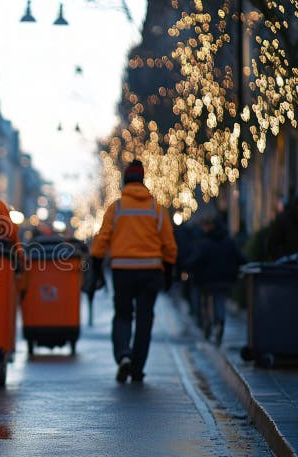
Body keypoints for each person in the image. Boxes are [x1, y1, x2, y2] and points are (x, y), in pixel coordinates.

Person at [91, 160, 178, 383]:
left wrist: (96, 263)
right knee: (145, 319)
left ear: (125, 181)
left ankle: (123, 356)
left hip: (122, 271)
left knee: (122, 315)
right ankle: (138, 368)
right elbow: (169, 244)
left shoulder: (117, 208)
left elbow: (102, 238)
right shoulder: (156, 209)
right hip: (151, 271)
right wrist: (168, 270)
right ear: (143, 180)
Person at [185, 214, 246, 345]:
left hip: (206, 280)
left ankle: (208, 323)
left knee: (206, 301)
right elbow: (241, 258)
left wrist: (185, 266)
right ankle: (219, 321)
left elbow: (195, 259)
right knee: (220, 300)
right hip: (224, 279)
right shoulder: (229, 242)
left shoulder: (204, 243)